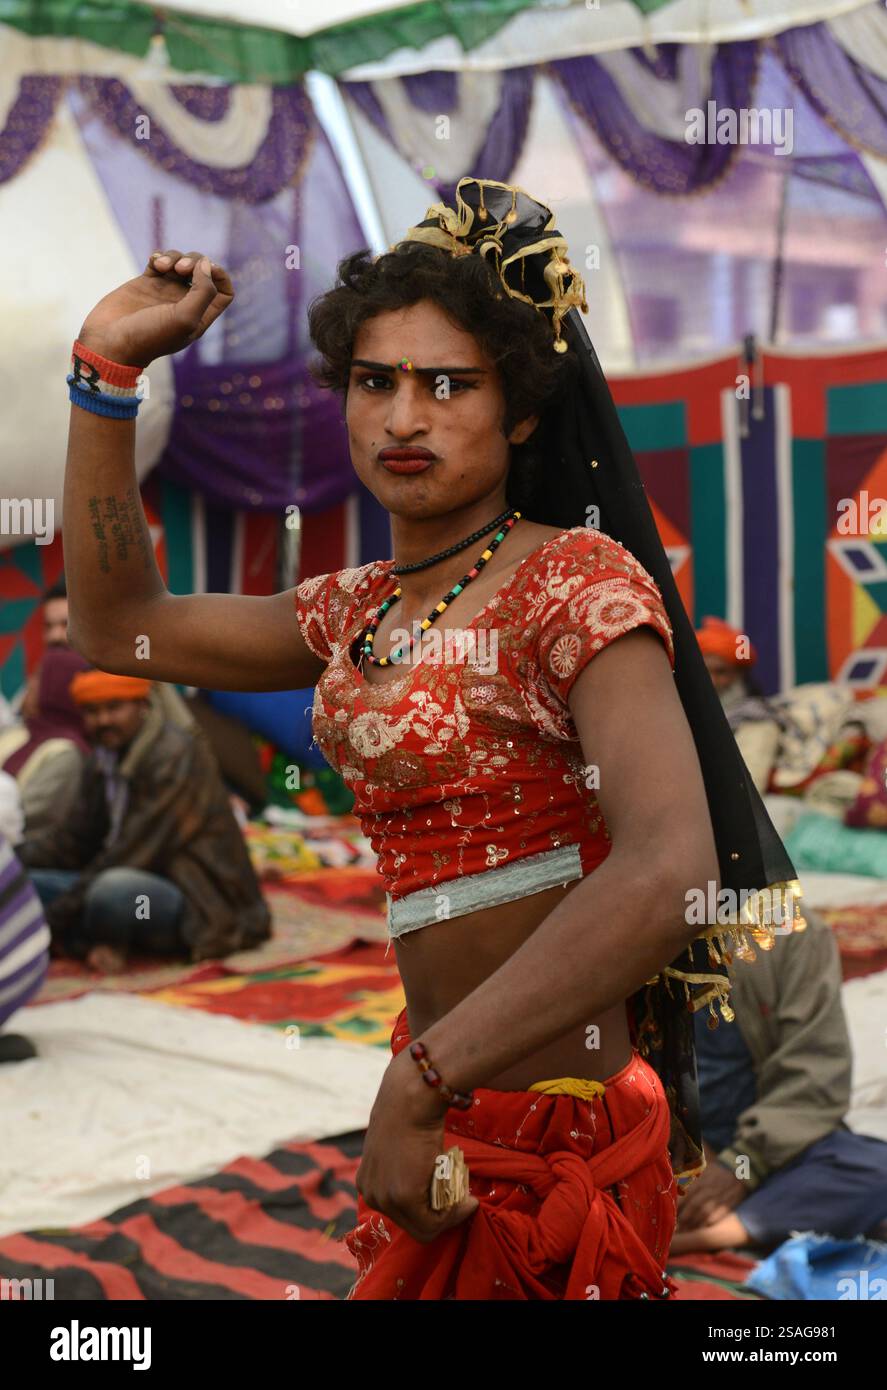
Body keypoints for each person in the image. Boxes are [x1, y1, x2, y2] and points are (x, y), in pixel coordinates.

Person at [56, 176, 799, 1300]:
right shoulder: (352, 611)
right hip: (452, 1107)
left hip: (557, 1133)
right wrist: (106, 372)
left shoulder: (575, 585)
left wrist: (418, 1080)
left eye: (447, 384)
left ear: (522, 411)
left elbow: (667, 870)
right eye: (375, 382)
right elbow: (123, 626)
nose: (403, 416)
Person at [18, 668, 271, 973]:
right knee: (18, 881)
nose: (103, 721)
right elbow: (71, 842)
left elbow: (133, 854)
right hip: (119, 872)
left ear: (142, 705)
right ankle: (89, 936)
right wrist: (12, 859)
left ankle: (85, 938)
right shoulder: (101, 757)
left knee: (111, 892)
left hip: (193, 897)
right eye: (92, 712)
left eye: (114, 708)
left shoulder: (173, 754)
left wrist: (53, 919)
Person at [671, 908, 887, 1252]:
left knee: (876, 1170)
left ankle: (708, 1237)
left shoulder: (790, 933)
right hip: (667, 1147)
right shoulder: (637, 936)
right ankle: (755, 1222)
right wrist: (687, 1144)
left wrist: (741, 1166)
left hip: (769, 1148)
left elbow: (815, 1077)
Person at [0, 647, 91, 839]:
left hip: (25, 855)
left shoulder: (66, 753)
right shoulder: (19, 734)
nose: (29, 684)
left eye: (39, 677)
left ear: (58, 687)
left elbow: (22, 817)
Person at [0, 831, 51, 1063]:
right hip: (27, 967)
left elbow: (131, 856)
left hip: (142, 896)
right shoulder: (102, 793)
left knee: (117, 893)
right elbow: (73, 839)